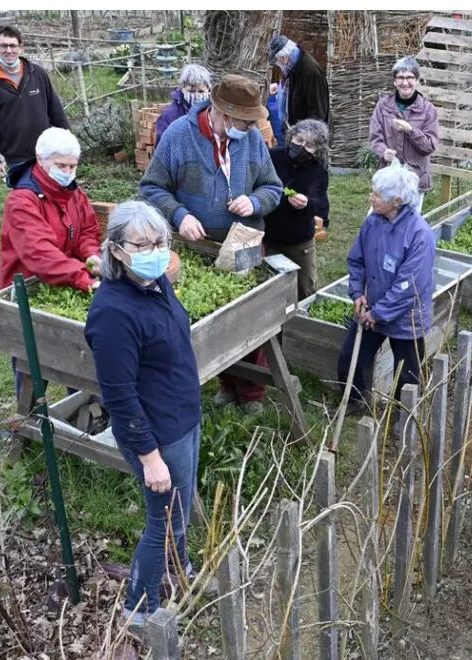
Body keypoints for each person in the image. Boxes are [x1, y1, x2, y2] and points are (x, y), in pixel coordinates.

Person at [84, 201, 203, 629]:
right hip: (157, 433)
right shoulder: (113, 313)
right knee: (164, 520)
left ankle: (179, 569)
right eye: (142, 244)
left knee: (180, 510)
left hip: (183, 416)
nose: (155, 250)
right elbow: (119, 394)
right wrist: (150, 457)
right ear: (116, 251)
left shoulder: (154, 284)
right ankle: (140, 609)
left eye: (160, 242)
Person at [140, 73, 283, 415]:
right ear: (223, 113)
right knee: (208, 315)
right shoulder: (179, 136)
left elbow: (273, 187)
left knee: (249, 316)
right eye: (245, 122)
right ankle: (223, 381)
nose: (250, 128)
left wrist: (255, 202)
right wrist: (179, 216)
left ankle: (250, 392)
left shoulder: (251, 140)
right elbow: (152, 188)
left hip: (244, 239)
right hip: (197, 244)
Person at [0, 127, 100, 401]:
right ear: (40, 160)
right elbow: (40, 254)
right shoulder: (22, 201)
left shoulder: (72, 193)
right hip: (28, 285)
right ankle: (29, 414)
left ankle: (83, 408)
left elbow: (87, 229)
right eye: (61, 165)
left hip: (67, 279)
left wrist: (91, 255)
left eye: (73, 166)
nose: (68, 172)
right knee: (31, 356)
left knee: (75, 353)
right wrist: (83, 277)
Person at [338, 165, 435, 426]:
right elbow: (356, 261)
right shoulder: (372, 222)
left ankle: (403, 419)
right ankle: (354, 400)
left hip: (406, 316)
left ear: (397, 201)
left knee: (407, 374)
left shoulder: (419, 235)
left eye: (377, 194)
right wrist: (357, 293)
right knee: (350, 357)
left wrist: (378, 314)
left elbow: (409, 286)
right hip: (372, 308)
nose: (371, 197)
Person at [0, 26, 70, 182]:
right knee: (27, 199)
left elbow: (55, 109)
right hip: (16, 155)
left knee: (56, 193)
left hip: (47, 150)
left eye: (13, 45)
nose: (8, 50)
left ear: (21, 47)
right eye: (3, 45)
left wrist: (68, 141)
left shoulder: (37, 73)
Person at [264, 119, 330, 300]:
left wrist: (307, 203)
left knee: (304, 290)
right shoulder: (271, 156)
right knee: (268, 290)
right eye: (299, 140)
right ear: (291, 136)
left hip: (299, 243)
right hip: (267, 238)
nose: (302, 147)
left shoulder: (318, 171)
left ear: (317, 151)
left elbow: (321, 205)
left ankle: (302, 326)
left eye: (309, 145)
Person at [368, 56, 441, 212]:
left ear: (417, 80)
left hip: (415, 176)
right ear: (395, 81)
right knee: (377, 216)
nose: (405, 82)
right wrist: (383, 151)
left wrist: (411, 130)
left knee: (408, 225)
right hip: (388, 174)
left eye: (409, 77)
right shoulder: (383, 106)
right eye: (400, 77)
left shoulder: (428, 110)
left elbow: (429, 146)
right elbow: (375, 138)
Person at [268, 34, 330, 141]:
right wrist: (280, 89)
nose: (277, 64)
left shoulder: (310, 73)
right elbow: (295, 90)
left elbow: (318, 113)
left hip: (309, 140)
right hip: (294, 133)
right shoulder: (290, 66)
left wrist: (304, 141)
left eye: (277, 60)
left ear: (283, 57)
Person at [154, 64, 213, 146]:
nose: (196, 95)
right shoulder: (169, 116)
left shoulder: (214, 114)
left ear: (208, 90)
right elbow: (161, 148)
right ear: (182, 88)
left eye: (201, 92)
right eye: (191, 91)